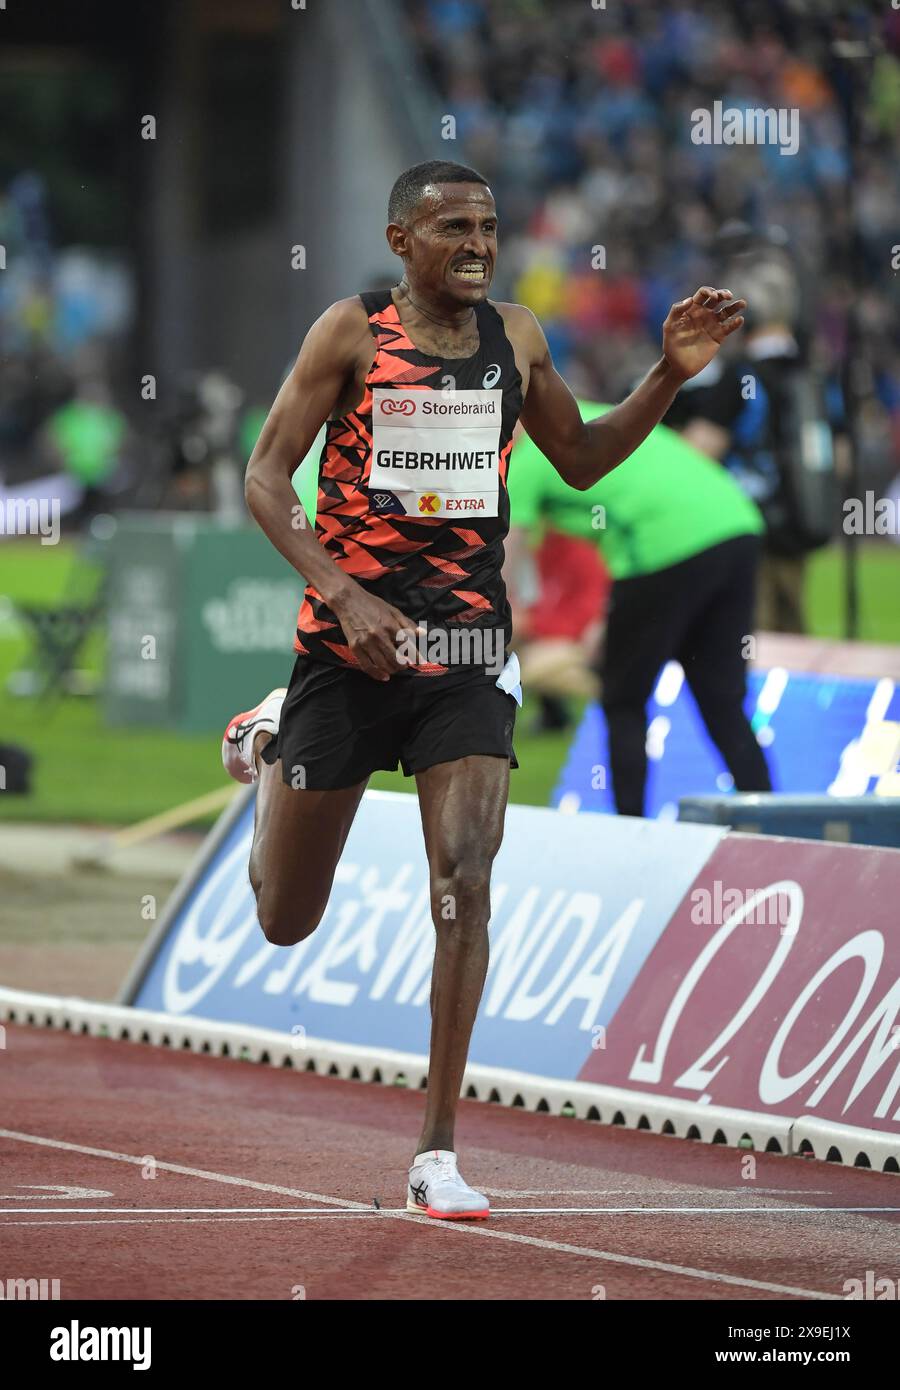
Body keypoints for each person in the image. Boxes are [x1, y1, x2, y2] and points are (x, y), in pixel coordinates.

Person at [221, 159, 746, 1219]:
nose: (478, 242)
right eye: (452, 225)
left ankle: (438, 1151)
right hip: (347, 652)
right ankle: (277, 747)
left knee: (463, 875)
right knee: (285, 917)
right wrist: (341, 590)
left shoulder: (520, 338)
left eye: (490, 226)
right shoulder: (351, 332)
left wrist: (667, 376)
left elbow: (586, 459)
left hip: (466, 652)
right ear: (401, 239)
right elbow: (266, 478)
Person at [507, 401, 773, 817]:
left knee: (623, 698)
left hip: (664, 550)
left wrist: (503, 618)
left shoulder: (529, 454)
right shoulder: (589, 412)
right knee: (720, 697)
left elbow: (510, 546)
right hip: (736, 527)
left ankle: (629, 825)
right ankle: (769, 819)